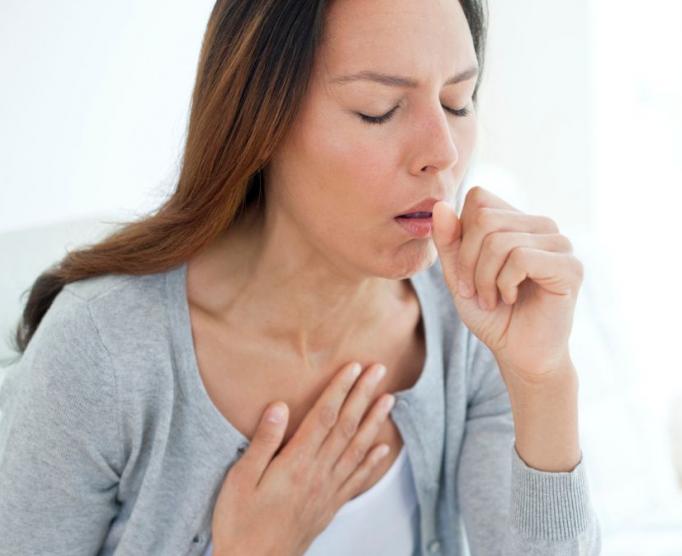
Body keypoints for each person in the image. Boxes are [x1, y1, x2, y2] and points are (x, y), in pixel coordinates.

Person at [0, 0, 601, 554]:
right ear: (262, 121)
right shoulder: (103, 352)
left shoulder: (470, 318)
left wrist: (543, 381)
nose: (442, 152)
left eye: (458, 101)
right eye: (379, 109)